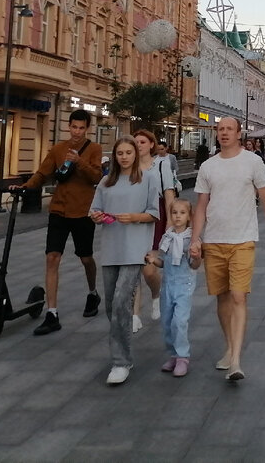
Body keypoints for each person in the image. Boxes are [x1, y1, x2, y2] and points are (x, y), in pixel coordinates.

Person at [189, 117, 265, 382]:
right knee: (221, 298)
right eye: (220, 129)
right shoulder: (208, 166)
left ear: (239, 133)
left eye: (229, 129)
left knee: (238, 296)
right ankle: (230, 348)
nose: (224, 133)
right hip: (214, 240)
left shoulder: (252, 162)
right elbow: (200, 207)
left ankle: (236, 361)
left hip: (242, 240)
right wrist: (195, 239)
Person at [12, 109, 104, 336]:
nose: (77, 132)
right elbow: (43, 173)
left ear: (87, 128)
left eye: (81, 128)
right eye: (74, 127)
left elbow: (97, 177)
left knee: (85, 258)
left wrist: (79, 161)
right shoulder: (57, 149)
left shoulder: (94, 149)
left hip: (83, 211)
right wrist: (25, 187)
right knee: (52, 257)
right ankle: (52, 312)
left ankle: (92, 293)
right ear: (68, 126)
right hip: (59, 211)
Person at [89, 137, 160, 385]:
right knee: (111, 305)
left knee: (121, 299)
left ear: (136, 154)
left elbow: (154, 213)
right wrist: (96, 217)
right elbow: (94, 210)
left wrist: (135, 217)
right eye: (120, 153)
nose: (125, 157)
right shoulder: (105, 182)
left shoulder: (148, 179)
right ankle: (123, 345)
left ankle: (120, 361)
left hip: (135, 250)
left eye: (129, 152)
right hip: (111, 250)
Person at [146, 197, 200, 377]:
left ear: (189, 216)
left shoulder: (191, 239)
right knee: (167, 321)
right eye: (174, 213)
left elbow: (194, 265)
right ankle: (174, 354)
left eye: (182, 213)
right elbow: (164, 262)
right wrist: (154, 261)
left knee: (180, 321)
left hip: (184, 285)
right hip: (168, 285)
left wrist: (197, 256)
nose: (178, 217)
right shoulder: (167, 237)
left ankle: (183, 356)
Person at [132, 129, 163, 333]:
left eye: (143, 141)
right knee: (134, 268)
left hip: (154, 217)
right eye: (136, 142)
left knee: (149, 270)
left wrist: (172, 226)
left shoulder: (161, 165)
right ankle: (134, 315)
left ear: (151, 144)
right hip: (133, 218)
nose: (139, 145)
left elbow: (168, 194)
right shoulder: (129, 165)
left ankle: (156, 294)